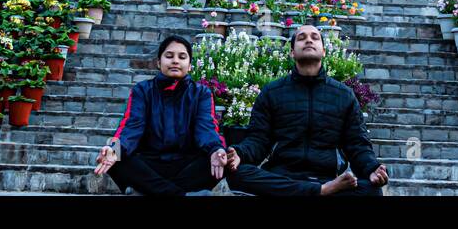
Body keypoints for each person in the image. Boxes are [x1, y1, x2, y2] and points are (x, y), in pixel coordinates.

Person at [226, 24, 389, 196]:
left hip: (326, 178)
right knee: (237, 174)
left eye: (315, 37)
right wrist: (240, 154)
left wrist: (372, 169)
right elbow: (258, 140)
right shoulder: (272, 92)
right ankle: (319, 192)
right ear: (292, 52)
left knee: (372, 190)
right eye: (302, 38)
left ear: (324, 51)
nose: (309, 40)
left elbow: (357, 144)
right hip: (283, 177)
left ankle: (317, 190)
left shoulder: (344, 95)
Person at [94, 33, 228, 196]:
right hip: (150, 164)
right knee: (116, 158)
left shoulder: (201, 93)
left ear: (190, 65)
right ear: (159, 62)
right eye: (169, 56)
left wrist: (216, 149)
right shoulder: (143, 90)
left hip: (185, 164)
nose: (175, 61)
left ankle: (147, 192)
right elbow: (130, 127)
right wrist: (114, 149)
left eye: (182, 57)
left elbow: (206, 128)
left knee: (222, 159)